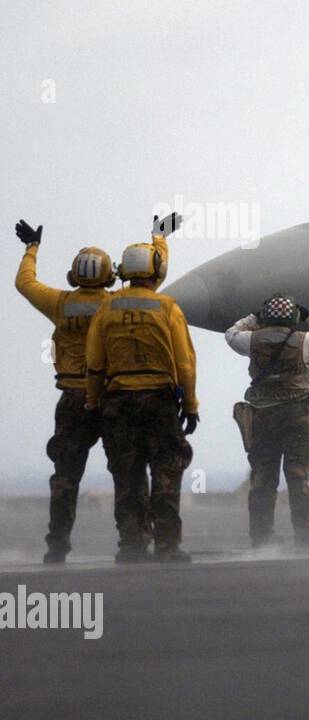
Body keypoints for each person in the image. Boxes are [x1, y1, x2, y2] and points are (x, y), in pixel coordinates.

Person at [85, 213, 198, 563]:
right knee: (166, 470)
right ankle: (167, 545)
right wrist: (190, 404)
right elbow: (185, 364)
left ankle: (132, 545)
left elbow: (94, 364)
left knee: (127, 476)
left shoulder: (106, 308)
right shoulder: (167, 307)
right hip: (160, 403)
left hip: (118, 404)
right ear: (155, 271)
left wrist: (93, 403)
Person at [13, 219, 115, 563]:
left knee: (65, 477)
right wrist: (159, 243)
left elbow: (25, 283)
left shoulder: (60, 303)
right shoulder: (118, 305)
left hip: (72, 398)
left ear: (74, 276)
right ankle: (134, 541)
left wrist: (31, 249)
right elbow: (149, 287)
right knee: (128, 472)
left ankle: (57, 546)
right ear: (109, 276)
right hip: (113, 397)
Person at [225, 294, 309, 547]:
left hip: (263, 416)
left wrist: (253, 317)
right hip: (298, 415)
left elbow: (231, 333)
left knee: (263, 477)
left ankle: (261, 537)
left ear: (265, 317)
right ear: (293, 318)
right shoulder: (306, 341)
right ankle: (304, 535)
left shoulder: (251, 341)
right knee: (298, 475)